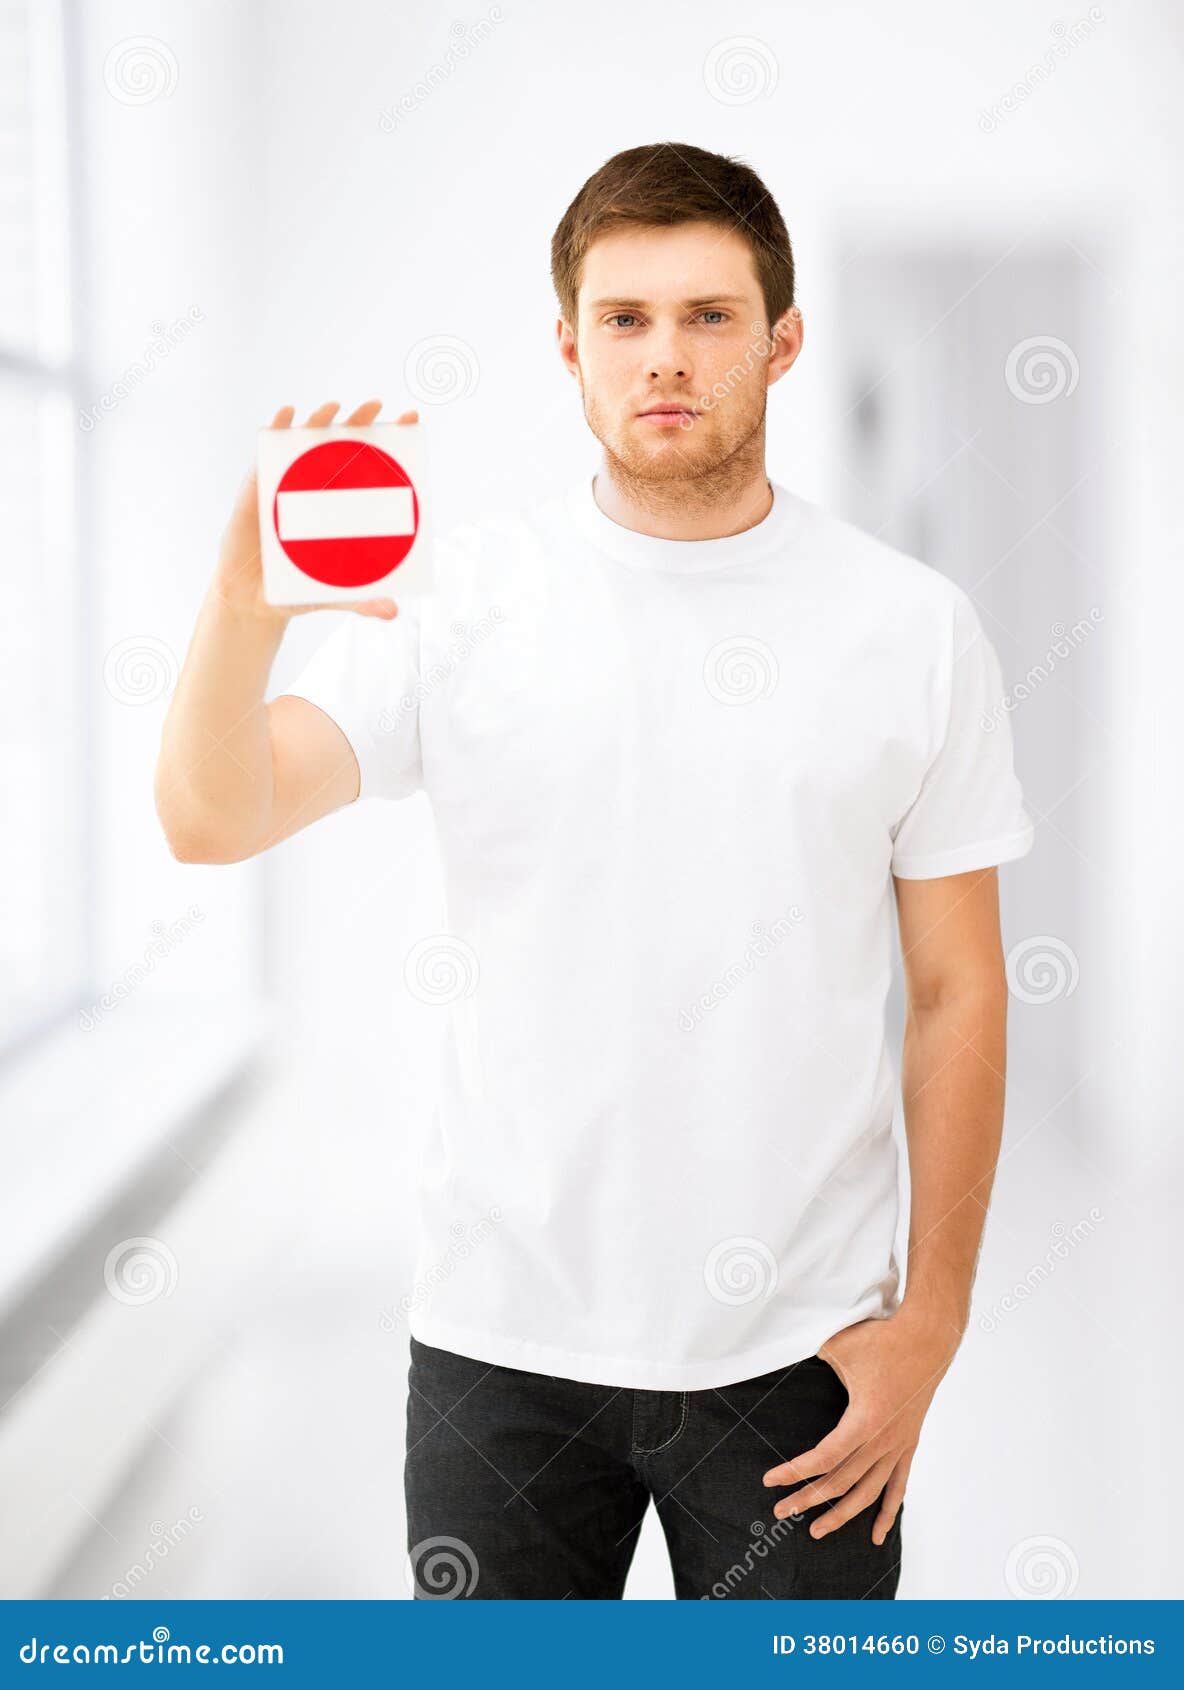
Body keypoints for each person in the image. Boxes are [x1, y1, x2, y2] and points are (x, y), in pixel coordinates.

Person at [155, 141, 1034, 1601]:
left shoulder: (912, 628)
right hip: (499, 1354)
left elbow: (959, 988)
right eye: (624, 320)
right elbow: (211, 814)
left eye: (708, 314)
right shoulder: (462, 603)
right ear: (568, 348)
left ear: (784, 338)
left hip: (799, 1360)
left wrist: (930, 1316)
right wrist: (244, 606)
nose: (666, 356)